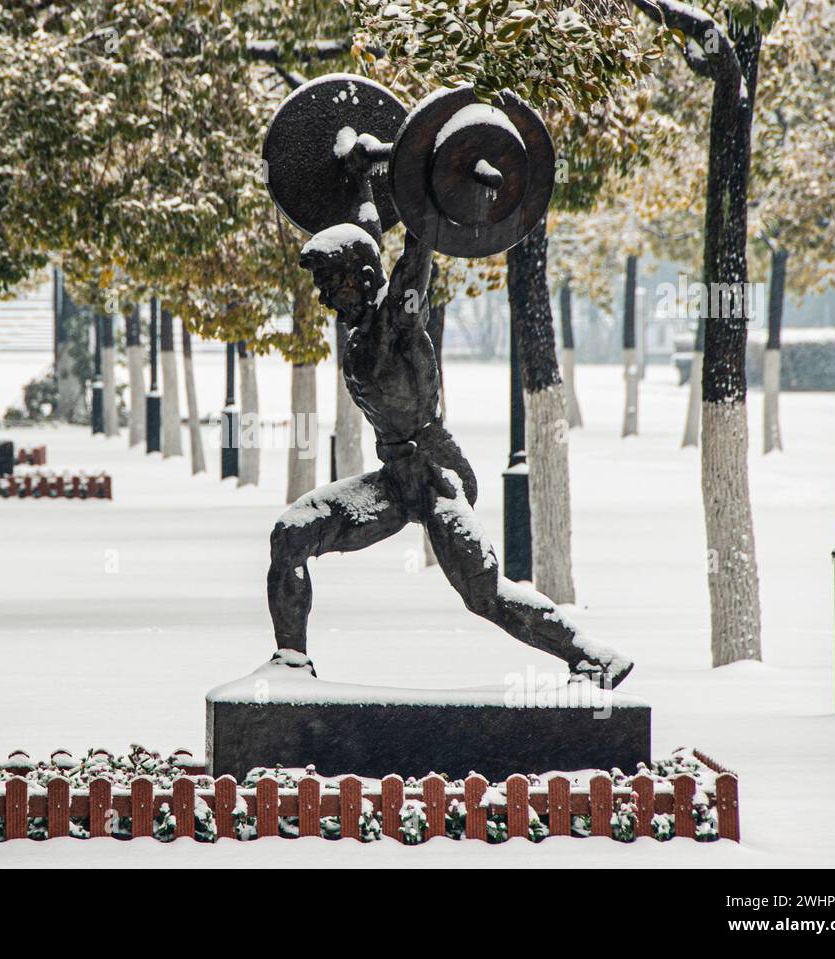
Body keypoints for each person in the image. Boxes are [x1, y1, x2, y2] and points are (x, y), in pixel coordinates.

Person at [266, 139, 632, 689]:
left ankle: (592, 656)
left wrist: (427, 173)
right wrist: (360, 170)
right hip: (394, 479)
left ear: (362, 281)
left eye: (328, 285)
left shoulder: (398, 318)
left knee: (483, 593)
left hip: (433, 476)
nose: (322, 299)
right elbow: (369, 228)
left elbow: (417, 246)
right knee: (292, 534)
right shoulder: (363, 323)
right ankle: (291, 665)